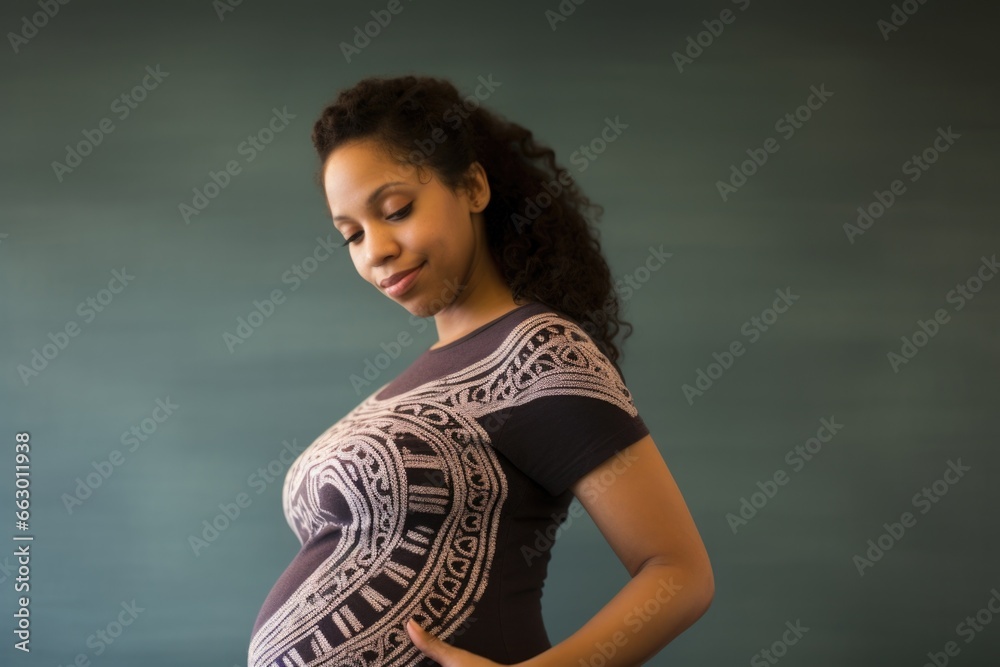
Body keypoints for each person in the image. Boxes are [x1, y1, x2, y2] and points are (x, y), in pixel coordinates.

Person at [247, 74, 714, 667]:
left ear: (471, 186)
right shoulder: (411, 384)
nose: (376, 250)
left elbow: (678, 573)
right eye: (352, 236)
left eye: (396, 210)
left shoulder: (537, 352)